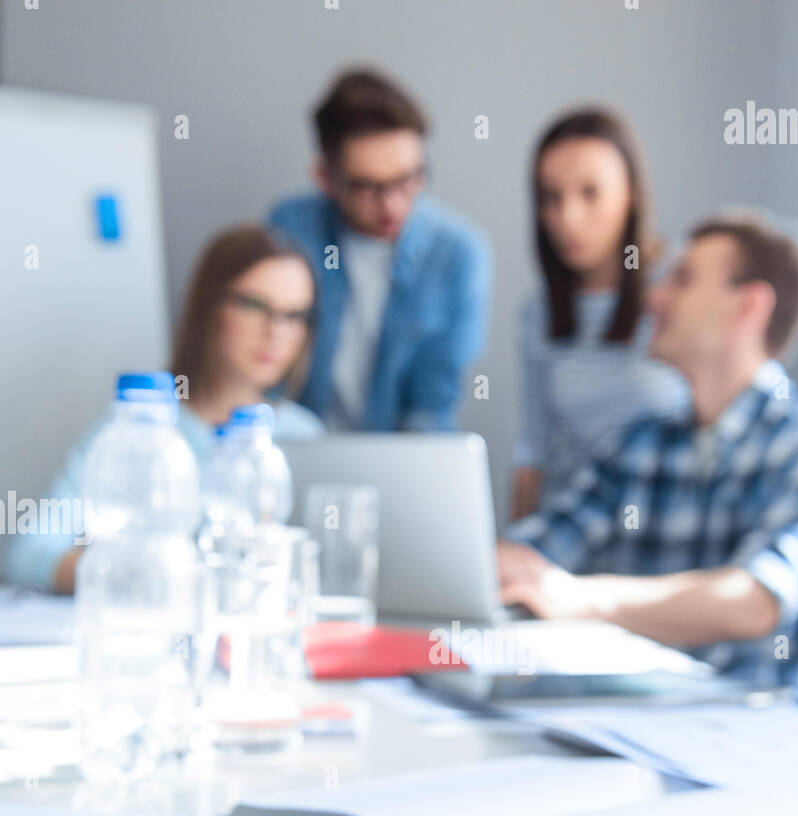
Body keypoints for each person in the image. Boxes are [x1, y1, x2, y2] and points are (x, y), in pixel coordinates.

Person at [499, 212, 798, 708]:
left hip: (777, 739)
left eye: (682, 279)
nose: (653, 297)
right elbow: (537, 550)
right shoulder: (640, 445)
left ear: (749, 305)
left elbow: (756, 601)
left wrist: (580, 598)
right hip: (641, 726)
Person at [6, 225, 322, 594]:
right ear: (209, 305)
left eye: (295, 316)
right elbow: (30, 553)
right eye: (255, 306)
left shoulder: (306, 437)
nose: (276, 332)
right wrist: (154, 581)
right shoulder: (134, 426)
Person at [268, 67, 490, 431]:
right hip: (296, 450)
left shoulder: (459, 253)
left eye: (408, 179)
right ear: (324, 178)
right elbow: (269, 377)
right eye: (368, 188)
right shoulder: (290, 229)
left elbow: (433, 403)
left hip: (402, 464)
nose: (393, 206)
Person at [511, 108, 688, 520]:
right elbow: (532, 450)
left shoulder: (678, 285)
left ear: (631, 193)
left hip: (666, 533)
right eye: (551, 198)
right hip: (573, 537)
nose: (568, 218)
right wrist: (512, 551)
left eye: (590, 193)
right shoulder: (539, 313)